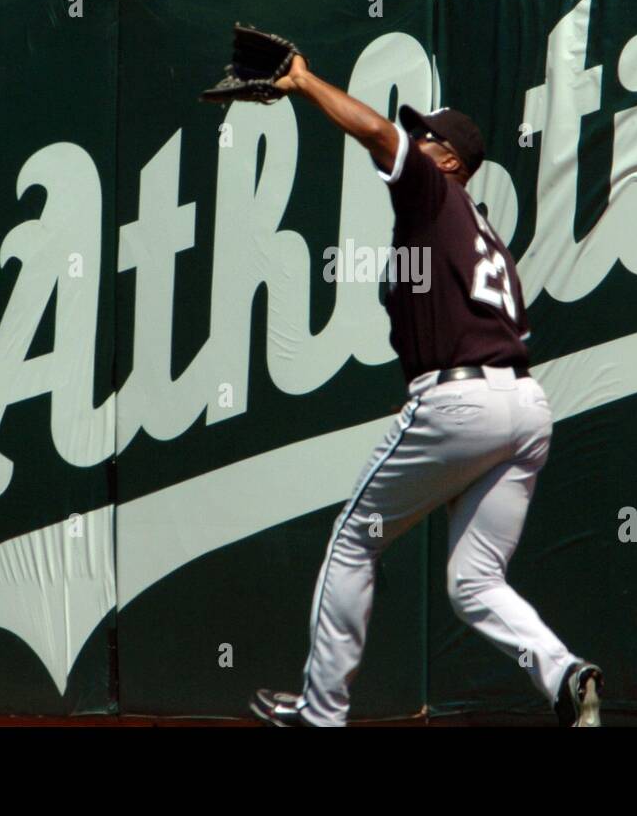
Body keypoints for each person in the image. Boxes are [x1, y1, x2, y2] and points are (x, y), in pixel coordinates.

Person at [250, 53, 603, 727]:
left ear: (450, 162)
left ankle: (322, 714)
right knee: (475, 582)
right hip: (523, 411)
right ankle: (564, 674)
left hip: (464, 405)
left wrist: (302, 79)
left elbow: (381, 137)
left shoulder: (433, 194)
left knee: (354, 540)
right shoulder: (480, 231)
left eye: (430, 138)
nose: (418, 142)